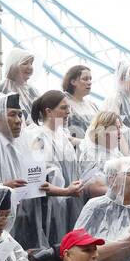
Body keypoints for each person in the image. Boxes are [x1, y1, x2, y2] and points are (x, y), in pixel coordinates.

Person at [0, 93, 51, 251]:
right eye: (12, 115)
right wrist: (3, 187)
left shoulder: (23, 145)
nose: (18, 120)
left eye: (20, 115)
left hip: (24, 217)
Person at [27, 90, 92, 245]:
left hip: (64, 204)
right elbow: (36, 181)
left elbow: (82, 145)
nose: (68, 112)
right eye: (63, 108)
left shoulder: (62, 134)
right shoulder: (38, 137)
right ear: (48, 111)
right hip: (47, 209)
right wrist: (66, 191)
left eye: (68, 107)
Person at [0, 49, 39, 121]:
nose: (30, 67)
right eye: (25, 63)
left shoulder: (32, 90)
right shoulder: (2, 88)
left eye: (31, 63)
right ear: (14, 66)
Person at [62, 64, 99, 139]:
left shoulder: (93, 105)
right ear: (73, 81)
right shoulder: (62, 102)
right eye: (85, 79)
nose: (89, 82)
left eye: (90, 79)